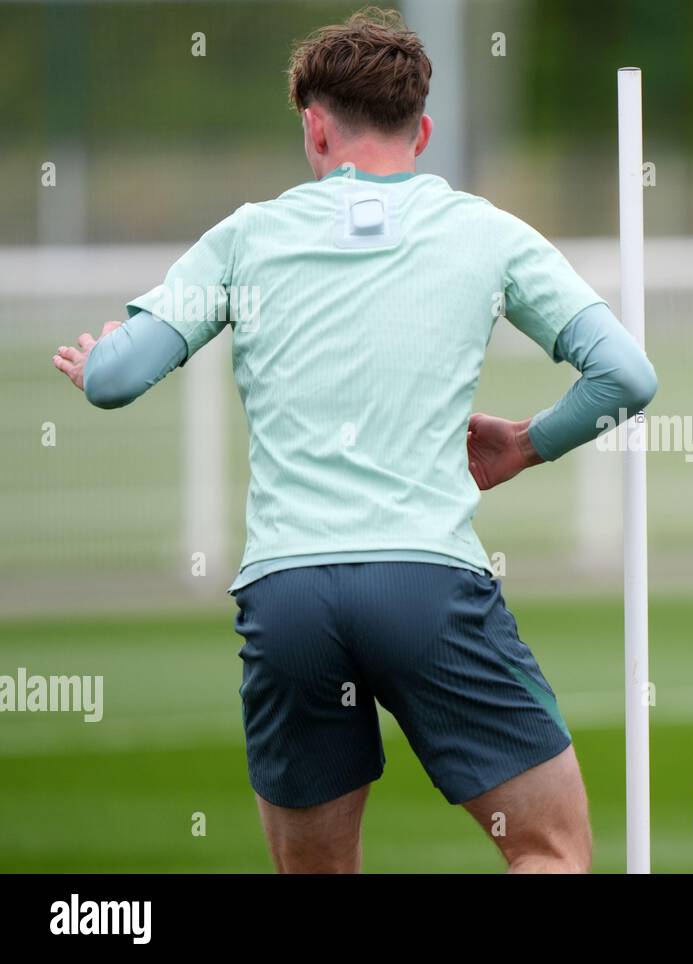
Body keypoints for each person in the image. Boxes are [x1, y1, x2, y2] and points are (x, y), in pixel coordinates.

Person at [51, 8, 656, 874]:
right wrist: (526, 444)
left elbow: (115, 379)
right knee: (548, 849)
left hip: (287, 595)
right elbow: (626, 377)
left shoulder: (248, 234)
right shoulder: (486, 231)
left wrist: (100, 357)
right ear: (423, 131)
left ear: (315, 126)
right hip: (426, 584)